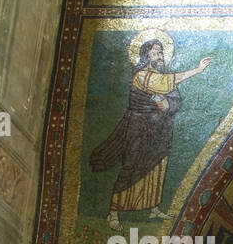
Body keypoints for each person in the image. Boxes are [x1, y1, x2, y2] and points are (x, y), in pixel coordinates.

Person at [90, 36, 212, 230]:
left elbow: (175, 101)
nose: (159, 56)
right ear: (145, 57)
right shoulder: (142, 76)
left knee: (158, 166)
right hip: (138, 128)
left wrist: (168, 104)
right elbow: (164, 84)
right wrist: (197, 70)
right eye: (154, 53)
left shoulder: (161, 76)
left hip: (160, 130)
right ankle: (113, 212)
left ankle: (153, 207)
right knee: (131, 165)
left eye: (161, 52)